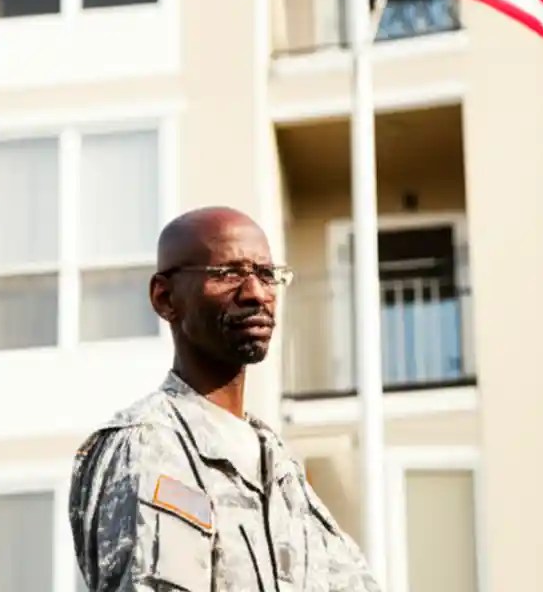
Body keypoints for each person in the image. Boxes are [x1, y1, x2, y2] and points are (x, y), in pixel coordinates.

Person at [69, 206, 382, 591]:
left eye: (266, 275)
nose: (255, 293)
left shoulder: (282, 471)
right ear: (165, 298)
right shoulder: (148, 444)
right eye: (228, 274)